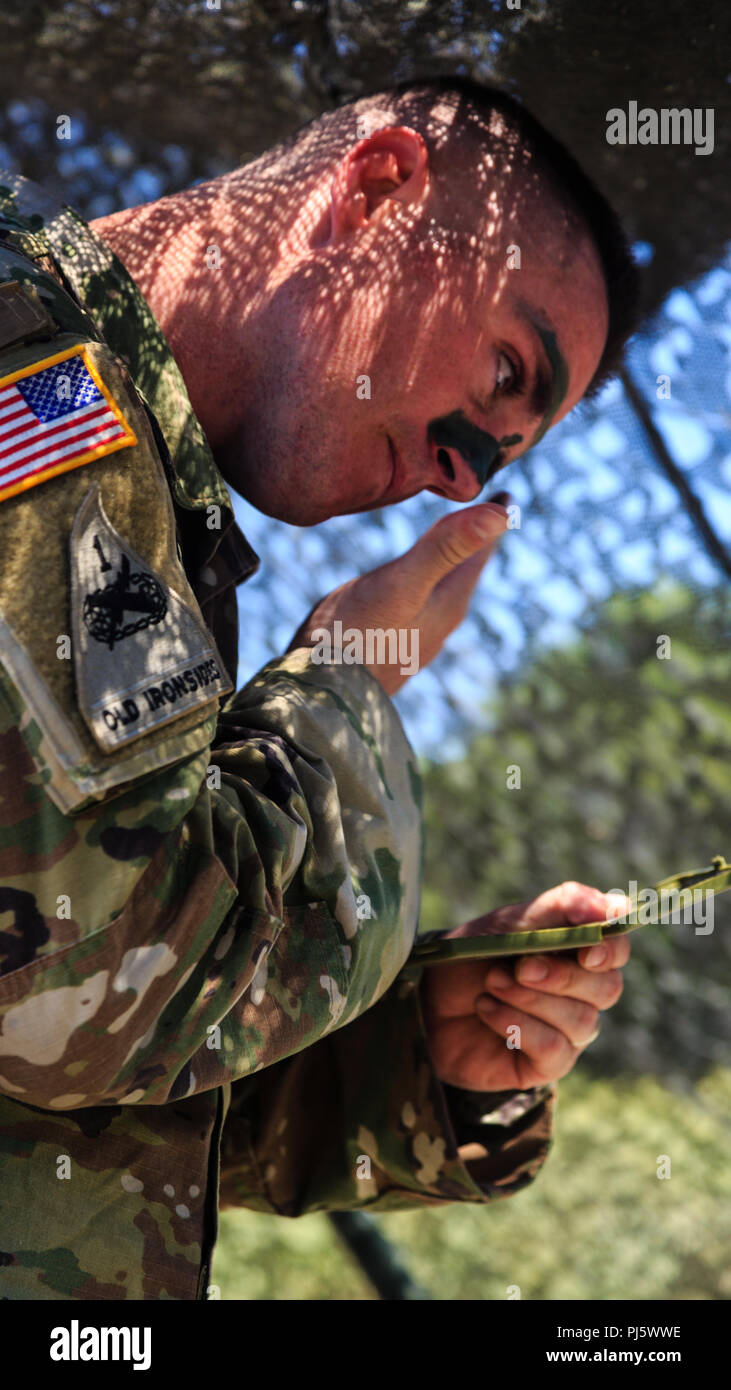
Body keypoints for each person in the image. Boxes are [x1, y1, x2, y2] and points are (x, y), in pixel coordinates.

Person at [0, 77, 639, 1300]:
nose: (463, 474)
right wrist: (343, 684)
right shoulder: (36, 371)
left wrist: (414, 1060)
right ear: (378, 188)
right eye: (507, 368)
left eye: (506, 452)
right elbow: (83, 990)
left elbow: (80, 1088)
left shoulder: (140, 498)